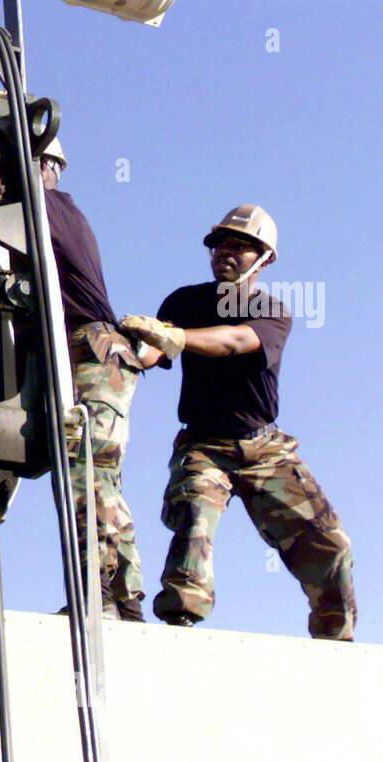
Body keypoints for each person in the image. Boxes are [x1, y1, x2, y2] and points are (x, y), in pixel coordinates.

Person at [121, 205, 356, 640]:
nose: (226, 253)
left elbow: (235, 341)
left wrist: (178, 338)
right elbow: (155, 351)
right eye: (220, 244)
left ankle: (336, 647)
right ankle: (180, 628)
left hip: (265, 449)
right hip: (204, 446)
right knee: (194, 523)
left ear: (264, 259)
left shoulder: (271, 310)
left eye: (241, 247)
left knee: (330, 546)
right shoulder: (185, 302)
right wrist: (133, 348)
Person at [43, 137, 149, 621]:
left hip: (94, 352)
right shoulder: (62, 210)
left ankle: (97, 597)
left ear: (46, 164)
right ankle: (124, 598)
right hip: (97, 354)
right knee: (101, 474)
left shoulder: (51, 204)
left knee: (84, 469)